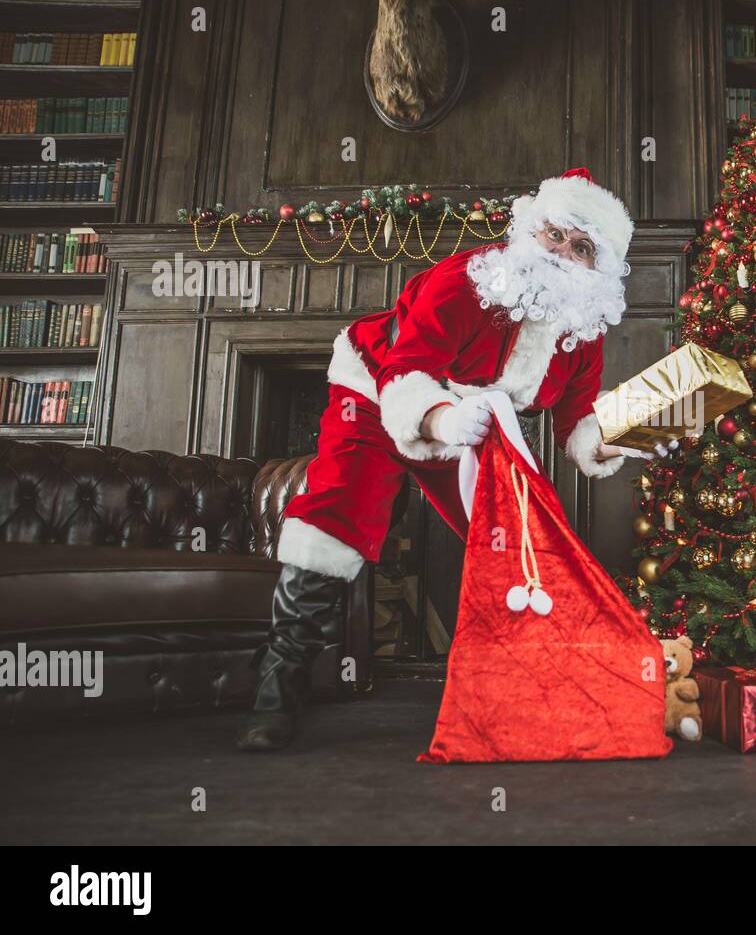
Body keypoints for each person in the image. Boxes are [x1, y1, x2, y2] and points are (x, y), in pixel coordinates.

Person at [236, 167, 677, 750]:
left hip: (475, 420)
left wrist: (607, 440)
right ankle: (276, 693)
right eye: (555, 234)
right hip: (380, 389)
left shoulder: (583, 326)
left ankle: (525, 689)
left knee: (515, 537)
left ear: (601, 268)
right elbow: (405, 368)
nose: (563, 252)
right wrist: (438, 417)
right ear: (531, 229)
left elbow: (576, 415)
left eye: (583, 247)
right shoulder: (466, 280)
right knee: (341, 512)